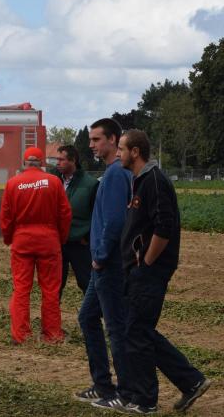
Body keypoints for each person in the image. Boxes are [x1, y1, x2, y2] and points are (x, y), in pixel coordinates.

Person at [100, 129, 209, 414]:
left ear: (135, 152)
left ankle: (145, 400)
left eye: (122, 149)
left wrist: (146, 263)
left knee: (136, 333)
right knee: (140, 330)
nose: (119, 153)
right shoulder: (141, 180)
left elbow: (165, 227)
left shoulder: (155, 182)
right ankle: (191, 380)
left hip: (149, 271)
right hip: (138, 271)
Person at [75, 118, 132, 405]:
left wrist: (98, 256)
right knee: (87, 317)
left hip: (108, 264)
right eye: (90, 140)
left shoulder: (115, 175)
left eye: (96, 140)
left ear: (112, 139)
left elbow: (114, 221)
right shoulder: (111, 173)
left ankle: (125, 391)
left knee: (117, 327)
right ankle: (103, 385)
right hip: (104, 263)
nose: (92, 145)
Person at [0, 146, 72, 344]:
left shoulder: (13, 183)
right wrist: (61, 238)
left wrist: (9, 238)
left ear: (24, 163)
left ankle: (21, 335)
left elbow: (5, 217)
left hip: (22, 241)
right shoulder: (54, 182)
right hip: (49, 241)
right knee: (50, 290)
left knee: (21, 289)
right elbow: (65, 214)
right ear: (42, 163)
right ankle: (52, 334)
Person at [53, 145, 98, 299]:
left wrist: (87, 238)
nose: (57, 163)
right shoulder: (52, 181)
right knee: (55, 286)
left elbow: (97, 216)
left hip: (80, 244)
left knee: (87, 283)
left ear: (73, 160)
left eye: (61, 159)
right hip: (57, 244)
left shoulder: (90, 184)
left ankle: (92, 320)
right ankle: (51, 322)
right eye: (56, 159)